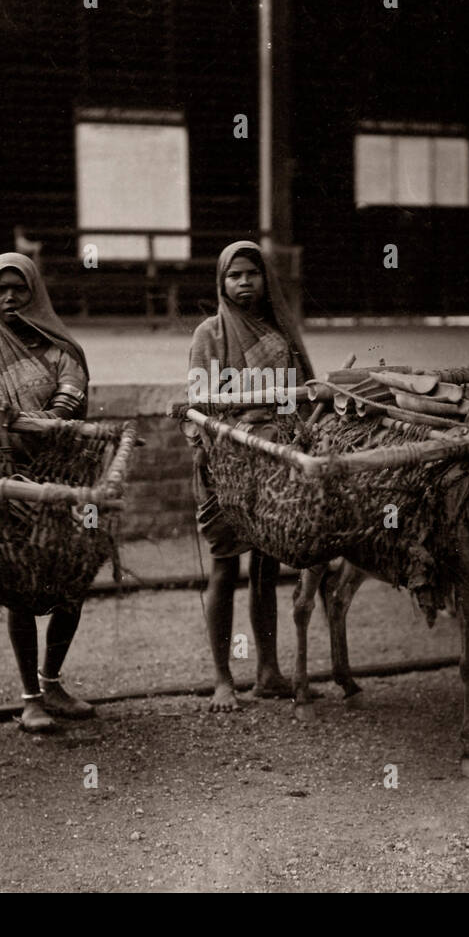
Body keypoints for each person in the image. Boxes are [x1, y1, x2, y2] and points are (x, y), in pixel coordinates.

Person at [0, 252, 92, 731]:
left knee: (73, 584)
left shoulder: (62, 351)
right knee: (19, 589)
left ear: (36, 293)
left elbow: (69, 403)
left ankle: (52, 681)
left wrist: (27, 423)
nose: (9, 298)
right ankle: (29, 698)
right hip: (2, 486)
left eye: (19, 289)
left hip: (60, 477)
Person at [188, 240, 314, 711]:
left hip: (273, 463)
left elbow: (301, 396)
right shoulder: (210, 335)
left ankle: (269, 671)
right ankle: (223, 678)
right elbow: (198, 407)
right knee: (225, 567)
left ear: (266, 280)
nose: (244, 284)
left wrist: (288, 435)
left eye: (252, 275)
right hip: (226, 464)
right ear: (221, 283)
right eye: (234, 276)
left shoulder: (281, 333)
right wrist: (229, 441)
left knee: (267, 567)